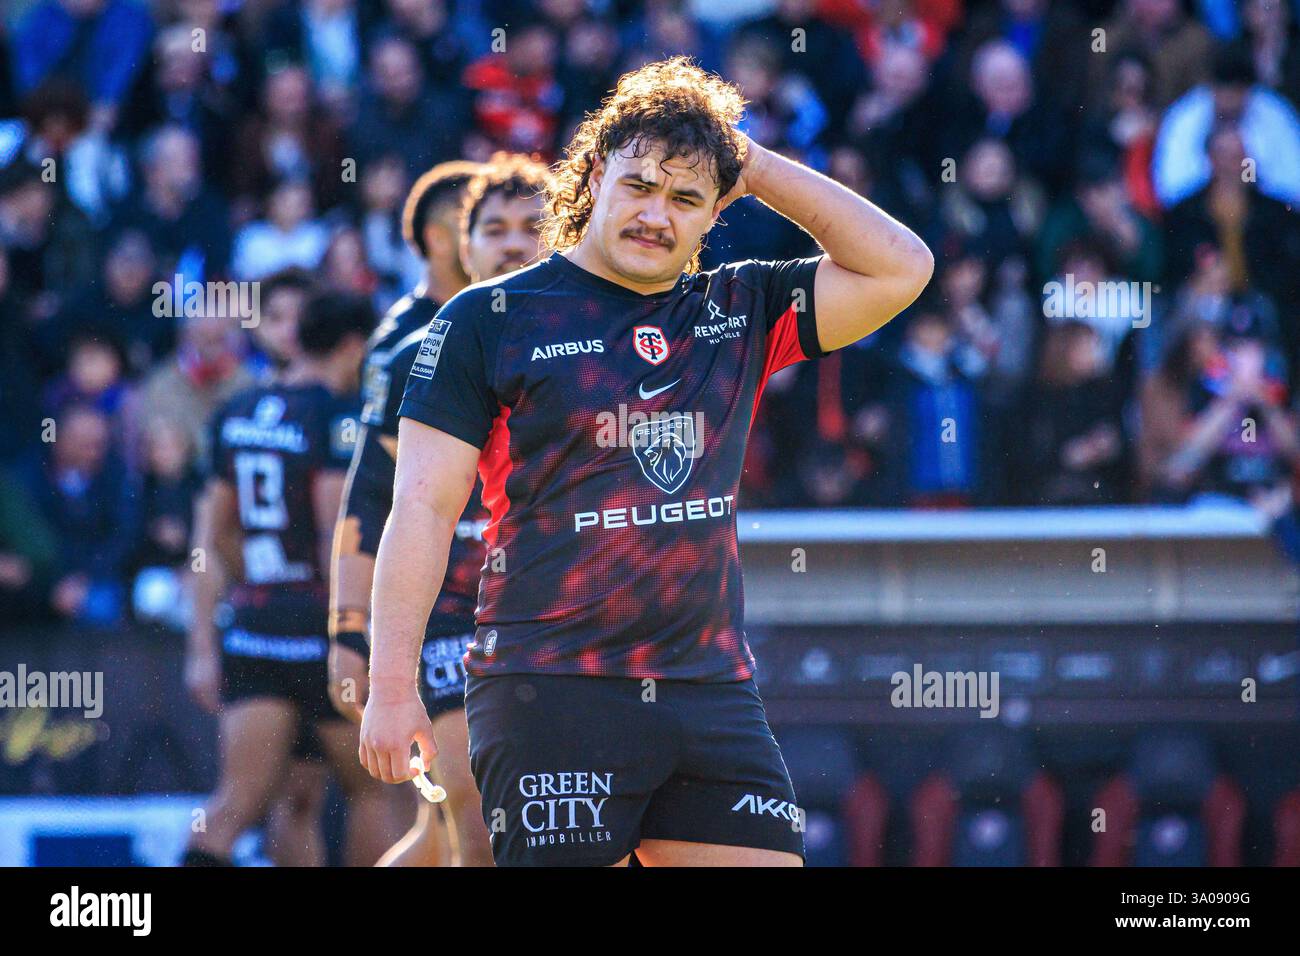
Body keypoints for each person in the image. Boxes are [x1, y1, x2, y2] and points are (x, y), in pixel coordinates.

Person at [359, 57, 932, 867]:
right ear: (594, 178)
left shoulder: (738, 308)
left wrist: (756, 165)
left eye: (687, 197)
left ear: (716, 213)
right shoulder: (487, 320)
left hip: (709, 691)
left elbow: (903, 266)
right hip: (550, 690)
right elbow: (419, 507)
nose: (656, 213)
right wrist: (390, 688)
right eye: (639, 185)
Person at [331, 154, 548, 867]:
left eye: (531, 225)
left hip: (559, 610)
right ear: (466, 243)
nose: (513, 241)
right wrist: (349, 631)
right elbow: (367, 503)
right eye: (494, 228)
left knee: (443, 838)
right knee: (473, 811)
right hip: (452, 608)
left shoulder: (599, 340)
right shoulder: (417, 352)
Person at [181, 290, 399, 866]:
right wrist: (360, 628)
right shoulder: (336, 417)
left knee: (261, 800)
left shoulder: (236, 412)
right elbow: (338, 537)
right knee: (374, 792)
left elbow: (214, 538)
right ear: (355, 346)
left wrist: (209, 637)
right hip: (321, 626)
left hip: (254, 623)